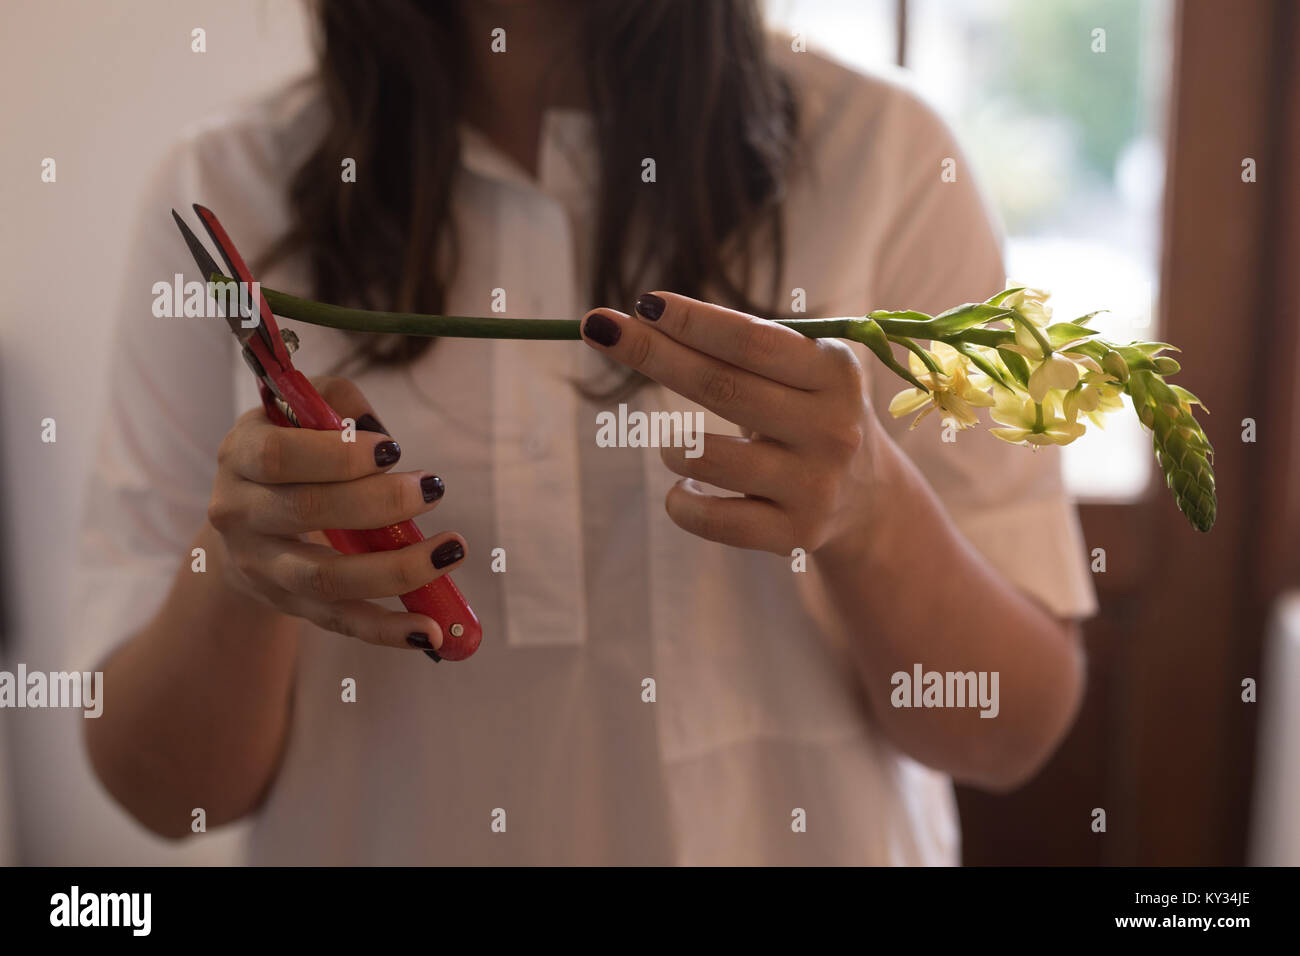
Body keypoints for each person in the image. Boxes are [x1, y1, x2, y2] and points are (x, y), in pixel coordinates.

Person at [80, 0, 1095, 865]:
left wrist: (873, 515)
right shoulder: (224, 187)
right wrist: (244, 574)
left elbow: (1006, 733)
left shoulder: (888, 158)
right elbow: (165, 793)